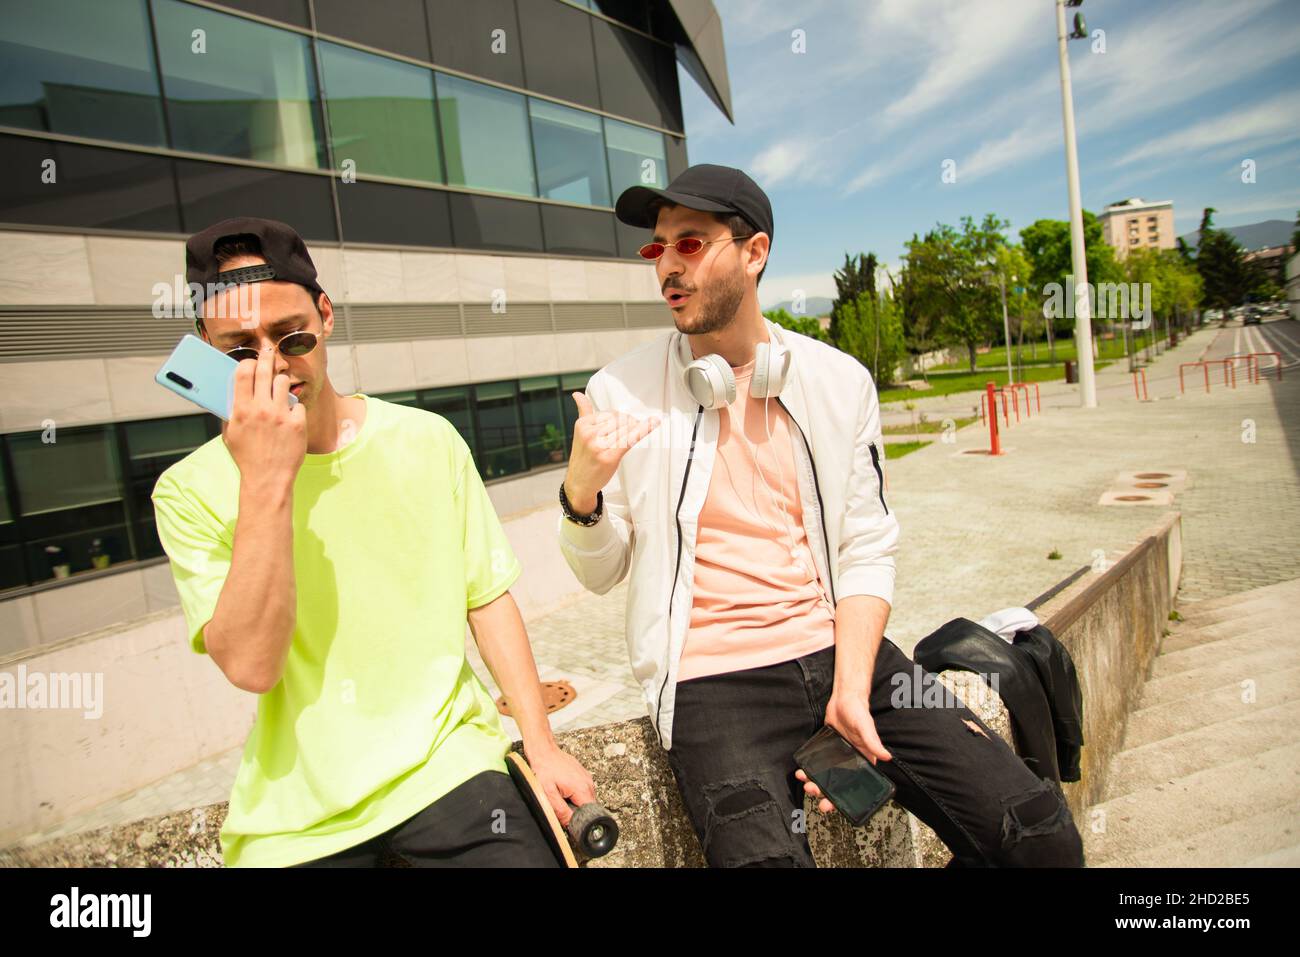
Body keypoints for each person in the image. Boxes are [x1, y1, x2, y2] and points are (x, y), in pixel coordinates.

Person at [555, 165, 1084, 867]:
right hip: (714, 686)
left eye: (691, 243)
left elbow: (867, 544)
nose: (667, 268)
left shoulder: (838, 381)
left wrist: (851, 686)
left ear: (754, 251)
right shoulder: (619, 388)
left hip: (845, 652)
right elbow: (601, 573)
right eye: (658, 249)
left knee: (1041, 836)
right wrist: (582, 495)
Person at [152, 217, 592, 867]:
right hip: (294, 822)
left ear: (326, 316)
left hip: (451, 769)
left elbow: (487, 599)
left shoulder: (426, 439)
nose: (272, 364)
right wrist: (267, 482)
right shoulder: (187, 490)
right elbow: (251, 665)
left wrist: (542, 744)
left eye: (290, 335)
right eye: (240, 348)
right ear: (206, 348)